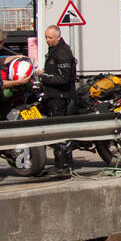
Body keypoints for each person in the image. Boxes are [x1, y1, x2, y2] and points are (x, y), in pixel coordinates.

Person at [39, 25, 77, 170]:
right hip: (55, 96)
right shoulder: (54, 51)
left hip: (59, 98)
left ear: (58, 37)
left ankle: (62, 165)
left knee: (58, 132)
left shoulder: (62, 52)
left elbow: (63, 78)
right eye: (46, 37)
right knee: (60, 132)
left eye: (50, 38)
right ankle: (65, 164)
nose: (47, 40)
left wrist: (43, 76)